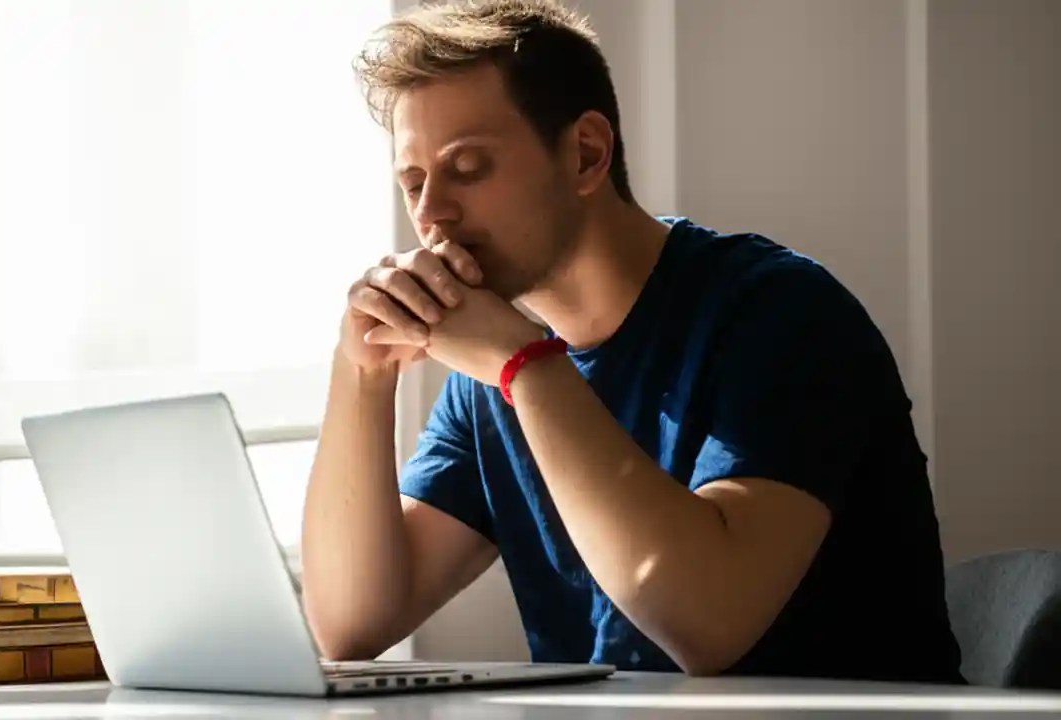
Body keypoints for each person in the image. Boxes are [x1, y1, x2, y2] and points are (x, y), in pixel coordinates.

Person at [300, 0, 964, 684]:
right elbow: (352, 625)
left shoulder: (781, 314)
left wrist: (523, 365)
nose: (431, 213)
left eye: (467, 168)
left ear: (586, 153)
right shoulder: (487, 381)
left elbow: (707, 624)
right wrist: (362, 374)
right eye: (414, 182)